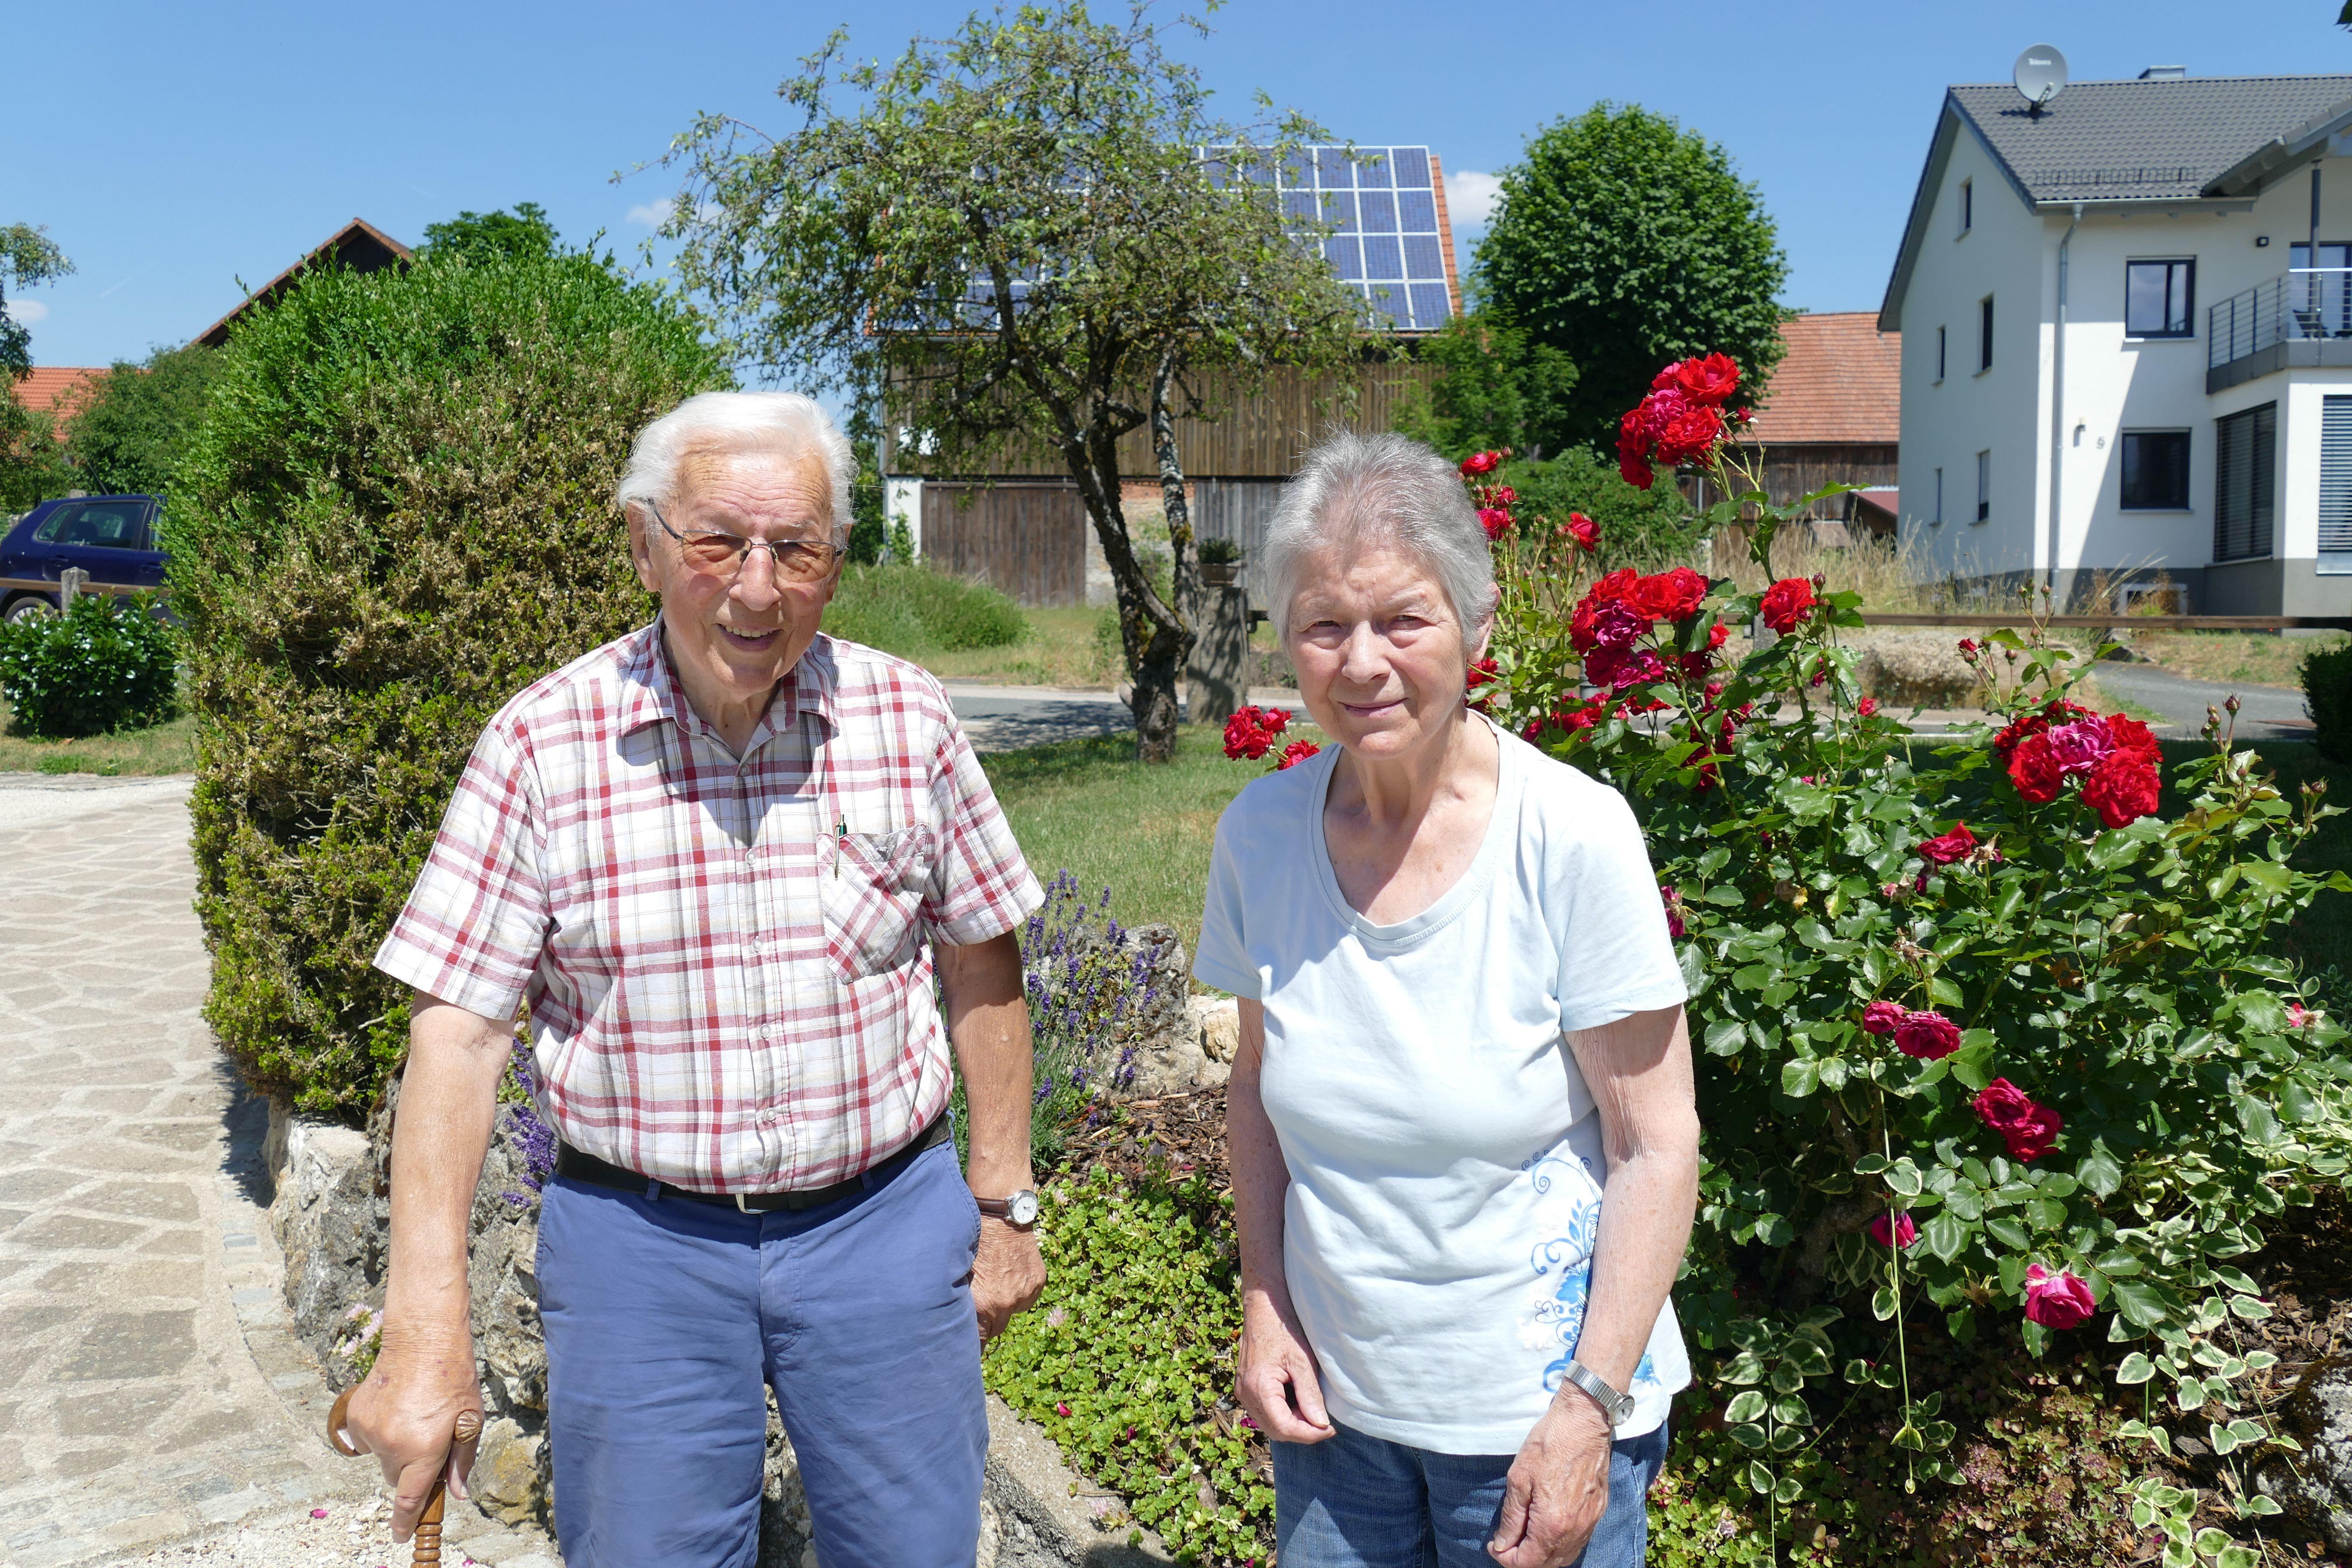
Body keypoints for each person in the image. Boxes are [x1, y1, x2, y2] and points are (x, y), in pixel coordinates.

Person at [344, 391, 1049, 1568]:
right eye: (718, 542)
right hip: (640, 1248)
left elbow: (983, 957)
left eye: (800, 549)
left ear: (838, 558)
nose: (759, 589)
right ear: (644, 545)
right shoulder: (542, 743)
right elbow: (458, 1036)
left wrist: (1003, 1199)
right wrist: (425, 1328)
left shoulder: (907, 716)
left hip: (881, 1227)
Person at [1195, 431, 1700, 1568]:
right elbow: (1259, 1095)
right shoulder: (1263, 838)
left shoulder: (1570, 834)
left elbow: (1656, 1147)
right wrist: (1267, 1302)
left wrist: (1589, 1408)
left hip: (1533, 1422)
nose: (1363, 662)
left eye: (1403, 621)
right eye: (1326, 626)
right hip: (1335, 1417)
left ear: (1475, 628)